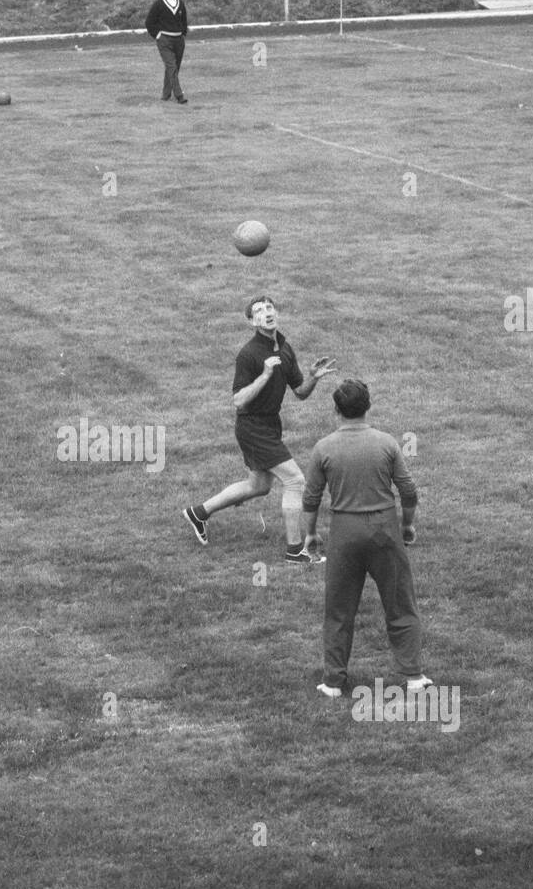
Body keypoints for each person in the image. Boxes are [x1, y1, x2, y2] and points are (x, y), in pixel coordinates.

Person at [301, 379, 431, 697]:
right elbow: (408, 490)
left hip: (344, 532)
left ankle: (333, 682)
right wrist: (407, 524)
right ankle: (413, 676)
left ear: (336, 409)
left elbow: (311, 498)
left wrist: (310, 533)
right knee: (400, 602)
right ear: (368, 406)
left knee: (339, 608)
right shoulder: (386, 443)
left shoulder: (324, 448)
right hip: (384, 528)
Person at [183, 296, 336, 563]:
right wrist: (264, 375)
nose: (266, 312)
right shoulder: (249, 354)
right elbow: (238, 400)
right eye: (259, 311)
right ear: (252, 322)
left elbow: (300, 392)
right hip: (252, 428)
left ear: (276, 313)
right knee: (295, 480)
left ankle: (199, 513)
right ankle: (295, 551)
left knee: (259, 485)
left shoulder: (285, 348)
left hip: (270, 425)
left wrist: (313, 378)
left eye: (269, 307)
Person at [144, 0, 189, 104]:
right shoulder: (159, 4)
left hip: (178, 41)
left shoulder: (181, 4)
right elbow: (149, 22)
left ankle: (166, 94)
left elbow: (184, 21)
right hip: (164, 40)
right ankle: (179, 95)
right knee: (171, 66)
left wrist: (183, 33)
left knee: (174, 68)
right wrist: (157, 35)